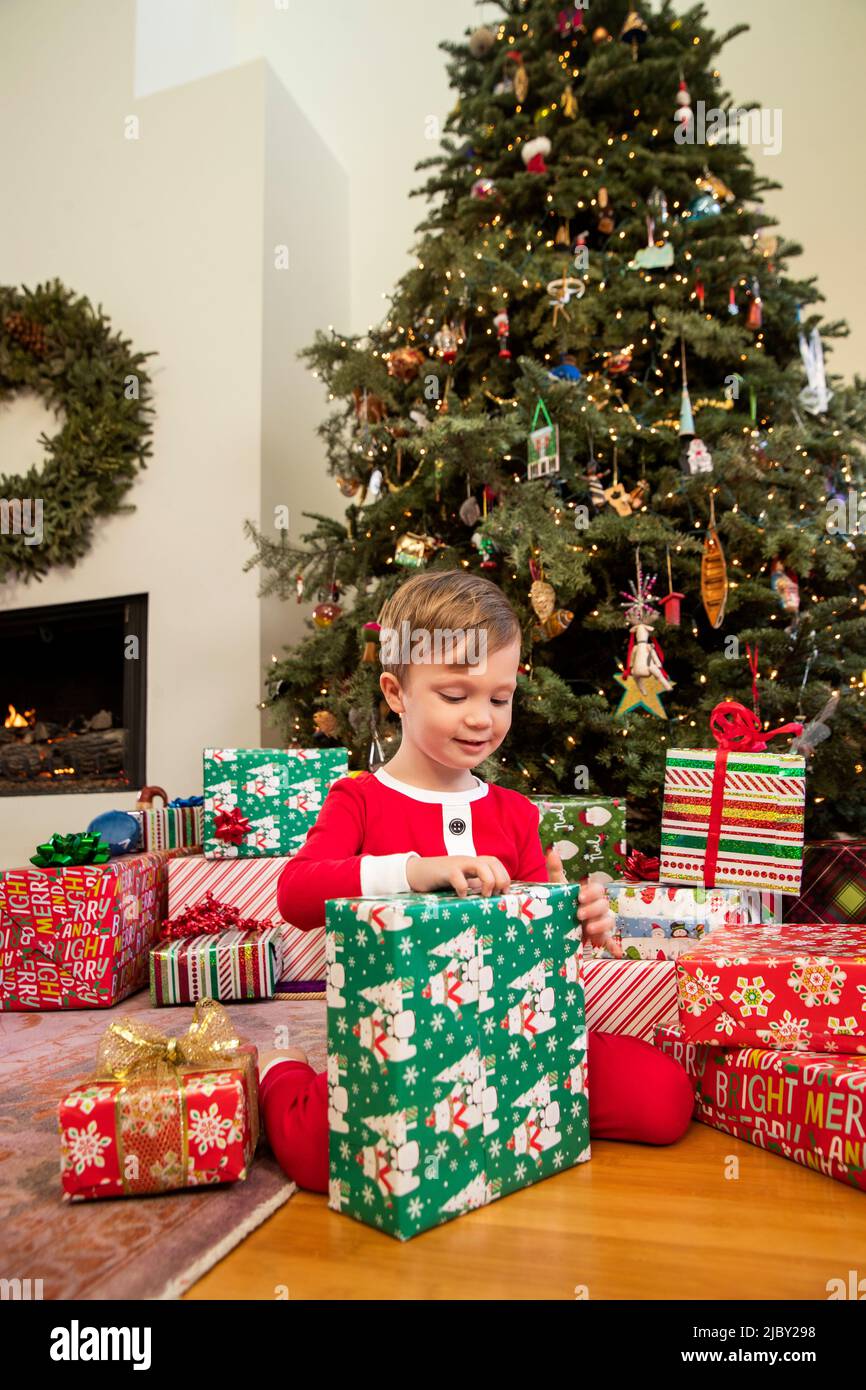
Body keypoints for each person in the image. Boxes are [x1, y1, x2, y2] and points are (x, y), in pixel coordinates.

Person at [259, 570, 694, 1192]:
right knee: (317, 1159)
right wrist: (415, 870)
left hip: (519, 1037)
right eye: (455, 694)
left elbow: (531, 934)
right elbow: (296, 895)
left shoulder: (514, 812)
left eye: (498, 697)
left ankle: (491, 1120)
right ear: (396, 692)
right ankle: (282, 1074)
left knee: (663, 1098)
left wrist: (578, 916)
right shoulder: (357, 800)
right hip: (405, 1048)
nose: (481, 719)